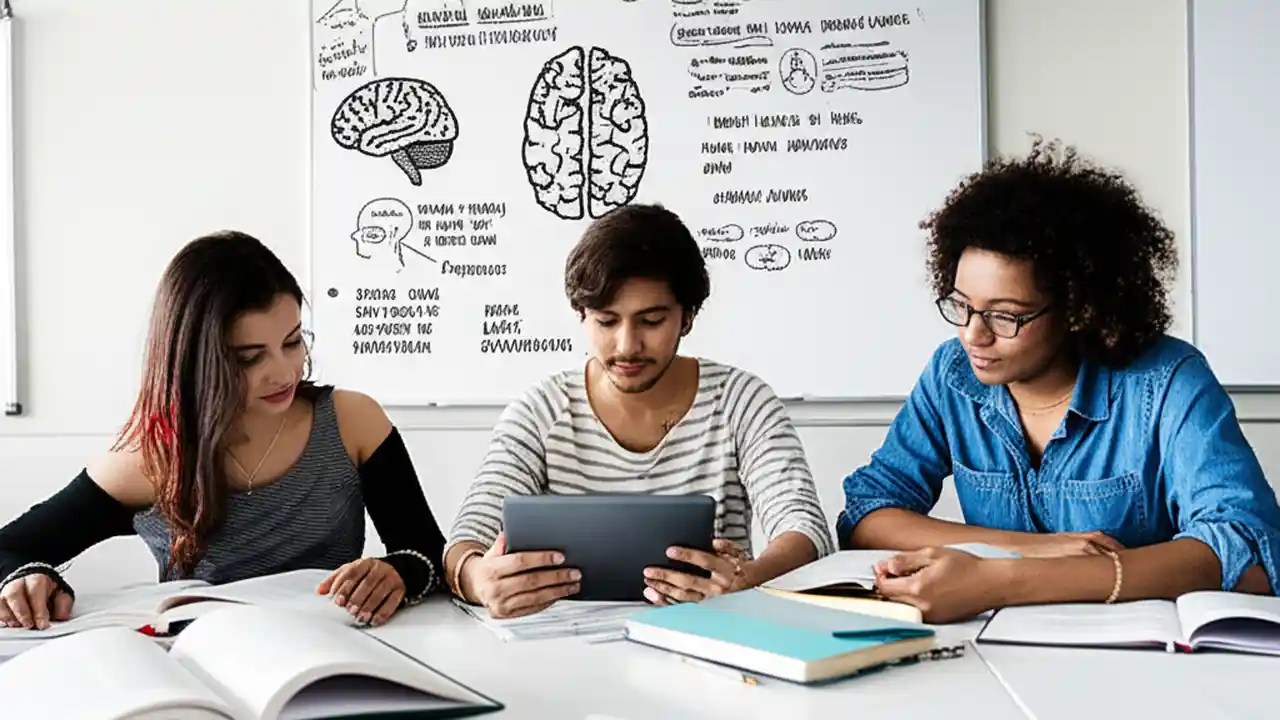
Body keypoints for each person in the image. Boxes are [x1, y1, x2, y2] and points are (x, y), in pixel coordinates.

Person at [837, 139, 1280, 622]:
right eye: (961, 305)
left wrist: (999, 579)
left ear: (1077, 309)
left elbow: (1246, 545)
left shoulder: (1167, 381)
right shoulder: (952, 376)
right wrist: (1031, 549)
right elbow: (869, 510)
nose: (972, 335)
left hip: (1148, 661)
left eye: (1007, 317)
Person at [0, 231, 445, 630]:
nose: (284, 371)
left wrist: (398, 572)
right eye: (249, 357)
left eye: (292, 341)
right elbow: (9, 550)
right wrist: (28, 576)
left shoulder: (352, 421)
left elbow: (430, 552)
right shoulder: (151, 459)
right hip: (201, 669)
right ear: (195, 363)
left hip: (333, 655)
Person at [443, 203, 834, 618]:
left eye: (650, 321)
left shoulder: (741, 401)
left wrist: (749, 579)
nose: (627, 345)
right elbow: (465, 542)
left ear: (688, 317)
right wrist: (477, 579)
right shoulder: (540, 410)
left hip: (710, 642)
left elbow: (805, 529)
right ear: (582, 316)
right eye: (606, 321)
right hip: (559, 651)